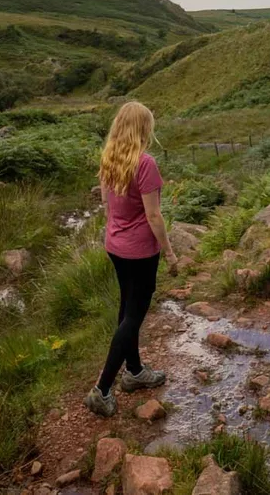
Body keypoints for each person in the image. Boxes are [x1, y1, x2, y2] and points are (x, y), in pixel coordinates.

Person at [84, 101, 179, 418]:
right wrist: (170, 253)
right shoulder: (145, 163)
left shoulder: (110, 157)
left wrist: (115, 231)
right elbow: (153, 215)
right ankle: (103, 389)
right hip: (140, 251)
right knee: (134, 315)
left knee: (127, 309)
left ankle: (135, 371)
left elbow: (105, 203)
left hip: (116, 246)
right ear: (143, 128)